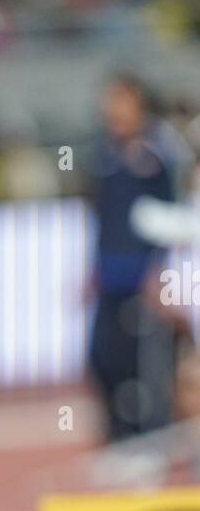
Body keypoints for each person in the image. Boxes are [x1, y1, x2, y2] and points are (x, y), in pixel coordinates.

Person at [88, 74, 180, 440]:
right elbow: (103, 217)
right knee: (101, 357)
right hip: (110, 275)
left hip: (144, 278)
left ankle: (151, 437)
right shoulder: (104, 154)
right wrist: (92, 268)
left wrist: (161, 272)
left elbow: (173, 217)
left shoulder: (157, 152)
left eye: (121, 100)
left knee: (146, 365)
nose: (112, 108)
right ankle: (119, 435)